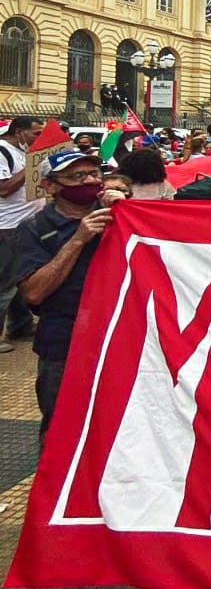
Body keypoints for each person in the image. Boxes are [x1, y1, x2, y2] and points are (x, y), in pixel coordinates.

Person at [14, 150, 114, 443]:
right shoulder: (34, 229)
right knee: (61, 425)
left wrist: (128, 209)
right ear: (50, 185)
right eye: (76, 176)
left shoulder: (117, 215)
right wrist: (78, 240)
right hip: (64, 341)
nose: (89, 181)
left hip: (116, 336)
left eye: (95, 174)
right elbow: (33, 292)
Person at [0, 116, 41, 351]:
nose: (38, 138)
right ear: (19, 132)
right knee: (5, 283)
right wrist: (32, 166)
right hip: (8, 226)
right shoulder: (2, 151)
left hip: (25, 225)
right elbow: (4, 189)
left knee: (20, 277)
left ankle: (21, 325)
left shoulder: (19, 151)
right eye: (35, 133)